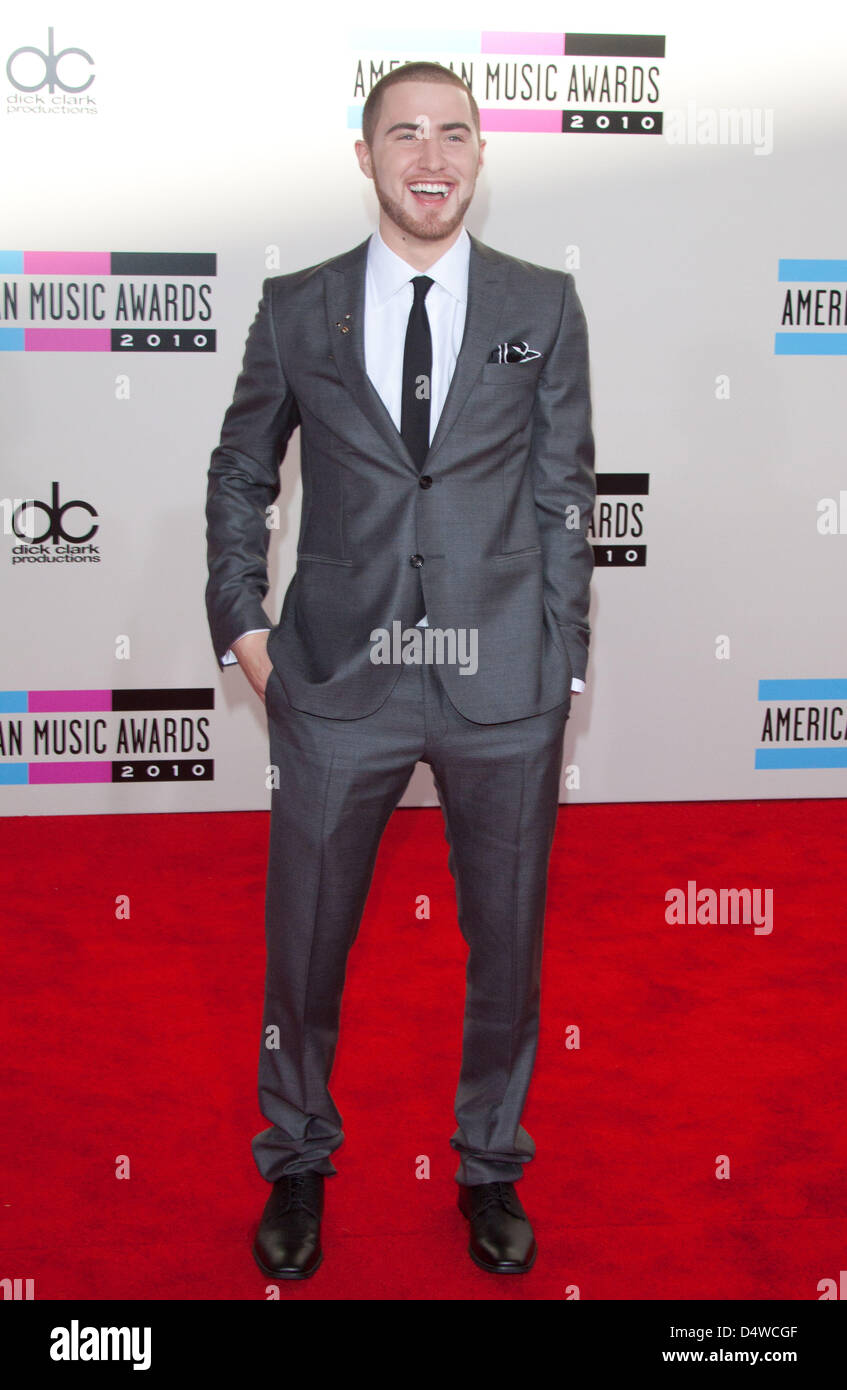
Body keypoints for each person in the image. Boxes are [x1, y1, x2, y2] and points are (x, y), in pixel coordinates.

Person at [205, 60, 595, 1279]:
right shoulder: (293, 305)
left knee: (509, 940)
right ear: (365, 154)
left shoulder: (544, 300)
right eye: (405, 135)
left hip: (503, 683)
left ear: (481, 155)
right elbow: (239, 472)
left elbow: (564, 491)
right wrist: (244, 627)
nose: (432, 157)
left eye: (455, 136)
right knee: (306, 943)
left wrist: (564, 659)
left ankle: (488, 1163)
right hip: (335, 678)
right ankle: (299, 1158)